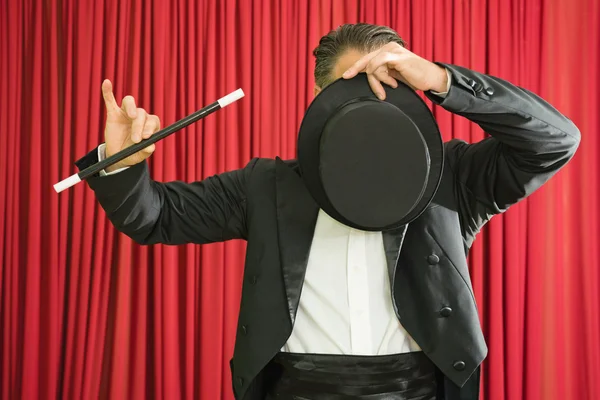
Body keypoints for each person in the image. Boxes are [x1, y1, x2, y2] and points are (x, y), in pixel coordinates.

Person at [75, 23, 580, 400]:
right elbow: (154, 217)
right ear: (317, 99)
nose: (373, 106)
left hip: (420, 388)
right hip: (294, 388)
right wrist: (121, 163)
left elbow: (556, 141)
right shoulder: (266, 185)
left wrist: (444, 80)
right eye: (351, 91)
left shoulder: (451, 177)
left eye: (390, 87)